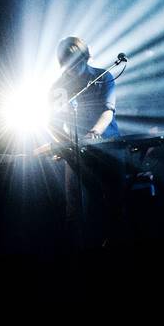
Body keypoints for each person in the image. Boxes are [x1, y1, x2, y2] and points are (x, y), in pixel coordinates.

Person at [49, 36, 121, 249]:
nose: (73, 69)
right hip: (75, 152)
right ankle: (78, 257)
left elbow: (107, 111)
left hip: (108, 147)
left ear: (85, 57)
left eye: (77, 62)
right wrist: (61, 143)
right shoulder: (59, 86)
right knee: (75, 210)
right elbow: (52, 121)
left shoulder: (103, 76)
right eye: (69, 65)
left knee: (114, 205)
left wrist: (94, 133)